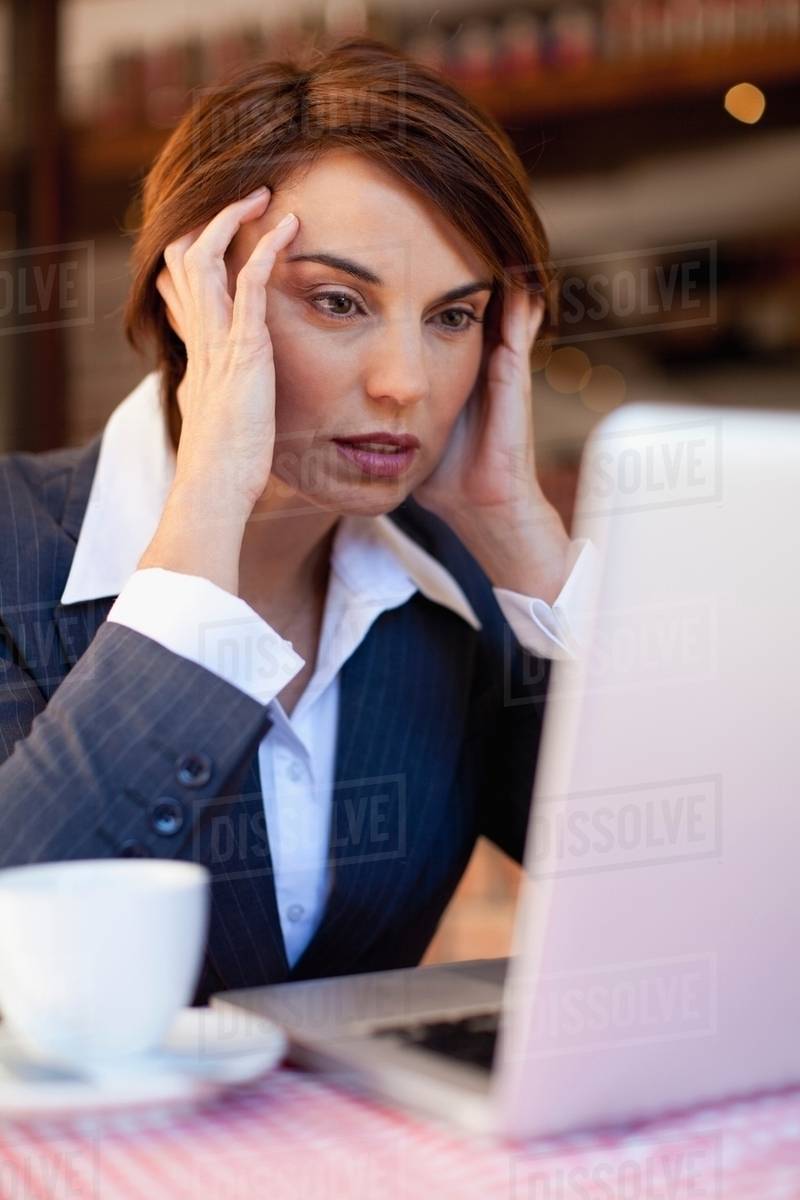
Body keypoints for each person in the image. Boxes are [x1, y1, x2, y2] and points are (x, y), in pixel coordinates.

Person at [0, 37, 595, 1006]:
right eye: (336, 300)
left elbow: (710, 898)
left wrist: (517, 529)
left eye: (451, 317)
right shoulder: (13, 545)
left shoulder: (460, 596)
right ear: (193, 296)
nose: (405, 384)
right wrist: (209, 507)